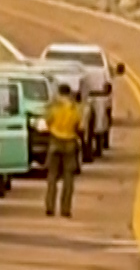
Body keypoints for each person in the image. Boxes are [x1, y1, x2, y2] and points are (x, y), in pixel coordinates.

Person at [44, 83, 84, 218]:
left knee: (52, 176)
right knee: (68, 178)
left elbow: (47, 121)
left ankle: (50, 206)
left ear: (59, 93)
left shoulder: (54, 107)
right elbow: (80, 125)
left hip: (55, 142)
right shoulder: (75, 108)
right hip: (70, 144)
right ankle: (65, 209)